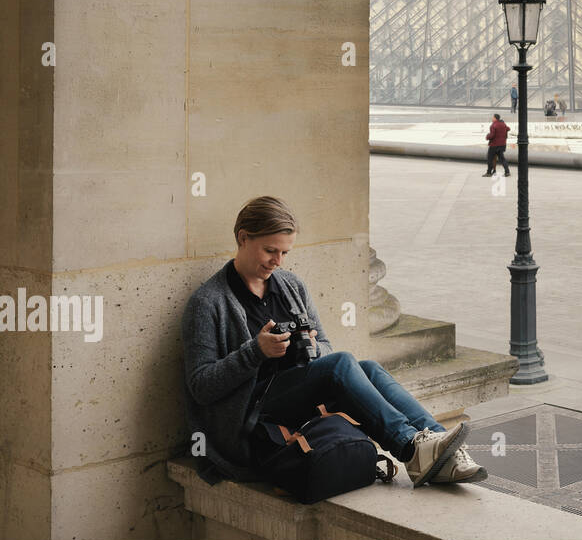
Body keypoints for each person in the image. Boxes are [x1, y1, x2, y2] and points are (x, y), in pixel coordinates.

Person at [182, 197, 483, 487]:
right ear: (243, 238)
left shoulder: (290, 285)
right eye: (270, 250)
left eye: (285, 253)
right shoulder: (209, 302)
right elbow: (201, 387)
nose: (278, 261)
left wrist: (310, 345)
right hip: (251, 417)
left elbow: (325, 346)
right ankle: (410, 449)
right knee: (341, 364)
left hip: (297, 396)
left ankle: (444, 450)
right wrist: (256, 352)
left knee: (368, 367)